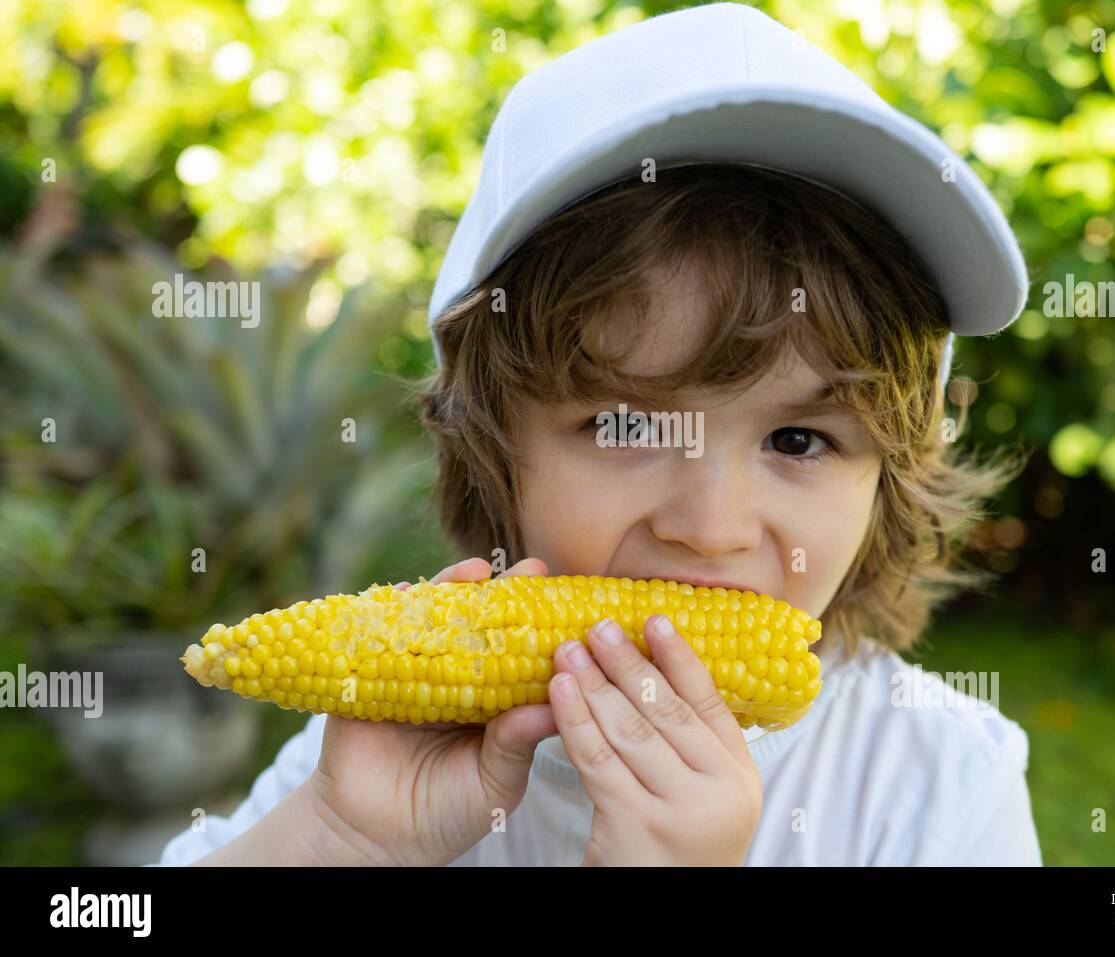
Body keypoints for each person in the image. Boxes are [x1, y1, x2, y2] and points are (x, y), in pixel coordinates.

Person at [157, 2, 1041, 866]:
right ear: (495, 455)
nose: (711, 523)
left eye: (800, 441)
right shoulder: (382, 750)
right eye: (624, 424)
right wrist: (337, 841)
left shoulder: (941, 782)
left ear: (889, 475)